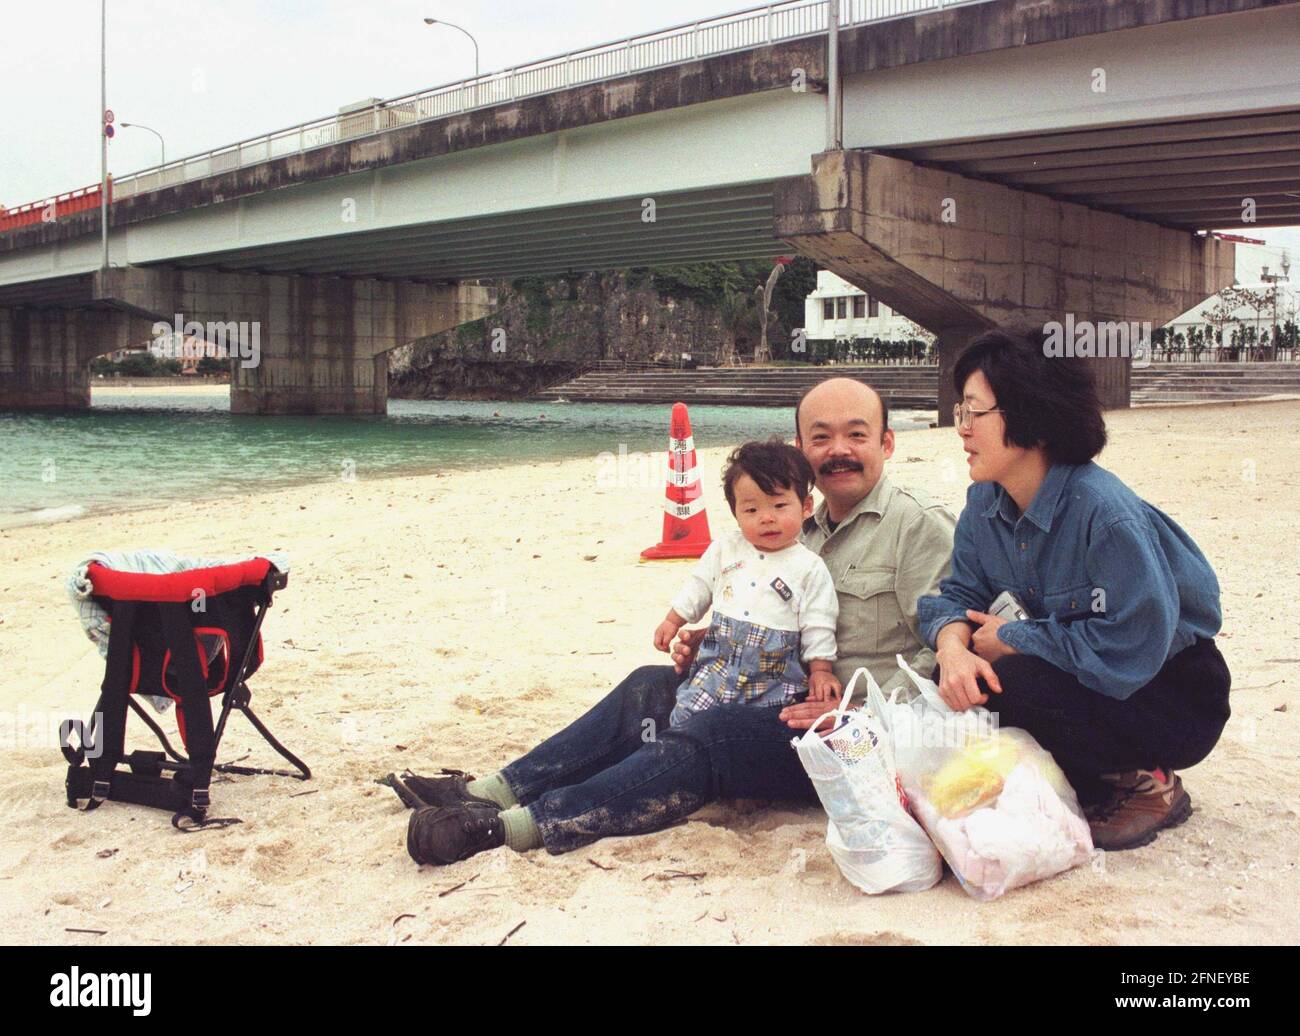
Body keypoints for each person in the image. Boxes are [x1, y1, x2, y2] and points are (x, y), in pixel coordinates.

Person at [391, 378, 955, 866]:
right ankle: (492, 791)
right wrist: (717, 641)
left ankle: (517, 828)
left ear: (886, 441)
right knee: (649, 687)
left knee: (709, 735)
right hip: (769, 693)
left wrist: (853, 709)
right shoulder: (788, 523)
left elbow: (944, 660)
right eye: (821, 437)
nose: (839, 451)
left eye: (857, 435)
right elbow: (772, 611)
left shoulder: (917, 527)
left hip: (851, 739)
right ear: (802, 450)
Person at [916, 329, 1231, 851]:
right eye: (959, 413)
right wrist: (952, 650)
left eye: (975, 413)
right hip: (1086, 676)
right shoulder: (983, 504)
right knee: (964, 678)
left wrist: (1020, 637)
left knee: (1013, 679)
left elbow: (1132, 647)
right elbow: (956, 597)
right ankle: (1082, 782)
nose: (962, 430)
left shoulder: (1104, 516)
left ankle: (1150, 784)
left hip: (1171, 690)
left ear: (1030, 418)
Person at [654, 440, 840, 727]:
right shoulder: (725, 548)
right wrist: (673, 619)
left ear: (805, 506)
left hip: (775, 676)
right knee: (686, 715)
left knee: (760, 721)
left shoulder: (809, 567)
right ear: (735, 512)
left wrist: (821, 669)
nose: (767, 518)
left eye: (779, 505)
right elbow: (699, 585)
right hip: (718, 662)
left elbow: (819, 622)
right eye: (751, 510)